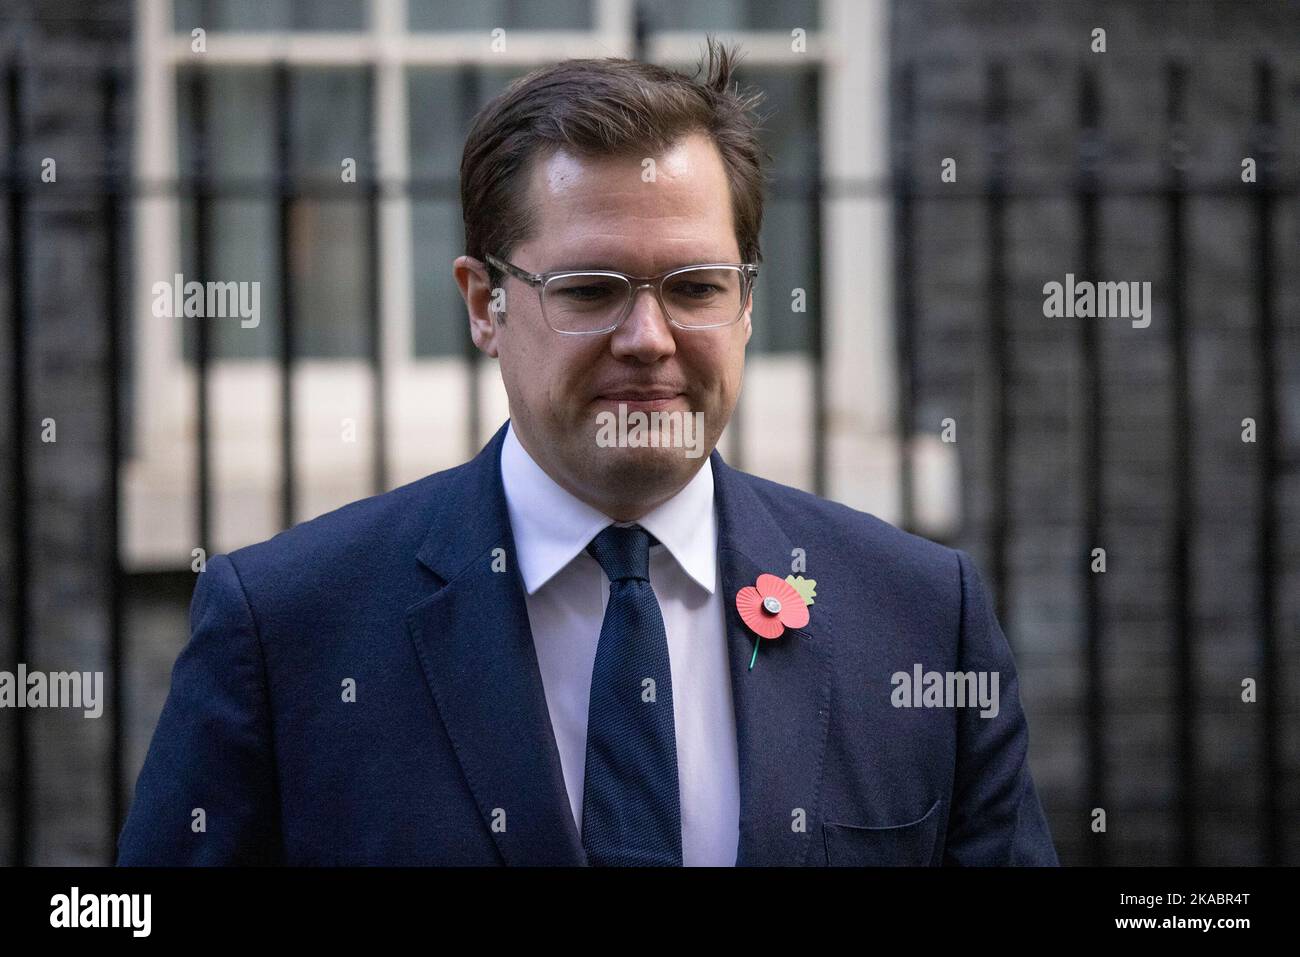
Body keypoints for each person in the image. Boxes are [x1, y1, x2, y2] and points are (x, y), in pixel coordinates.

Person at [117, 40, 1058, 867]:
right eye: (589, 288)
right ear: (485, 303)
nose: (648, 337)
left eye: (694, 286)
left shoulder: (923, 620)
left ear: (747, 302)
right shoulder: (286, 630)